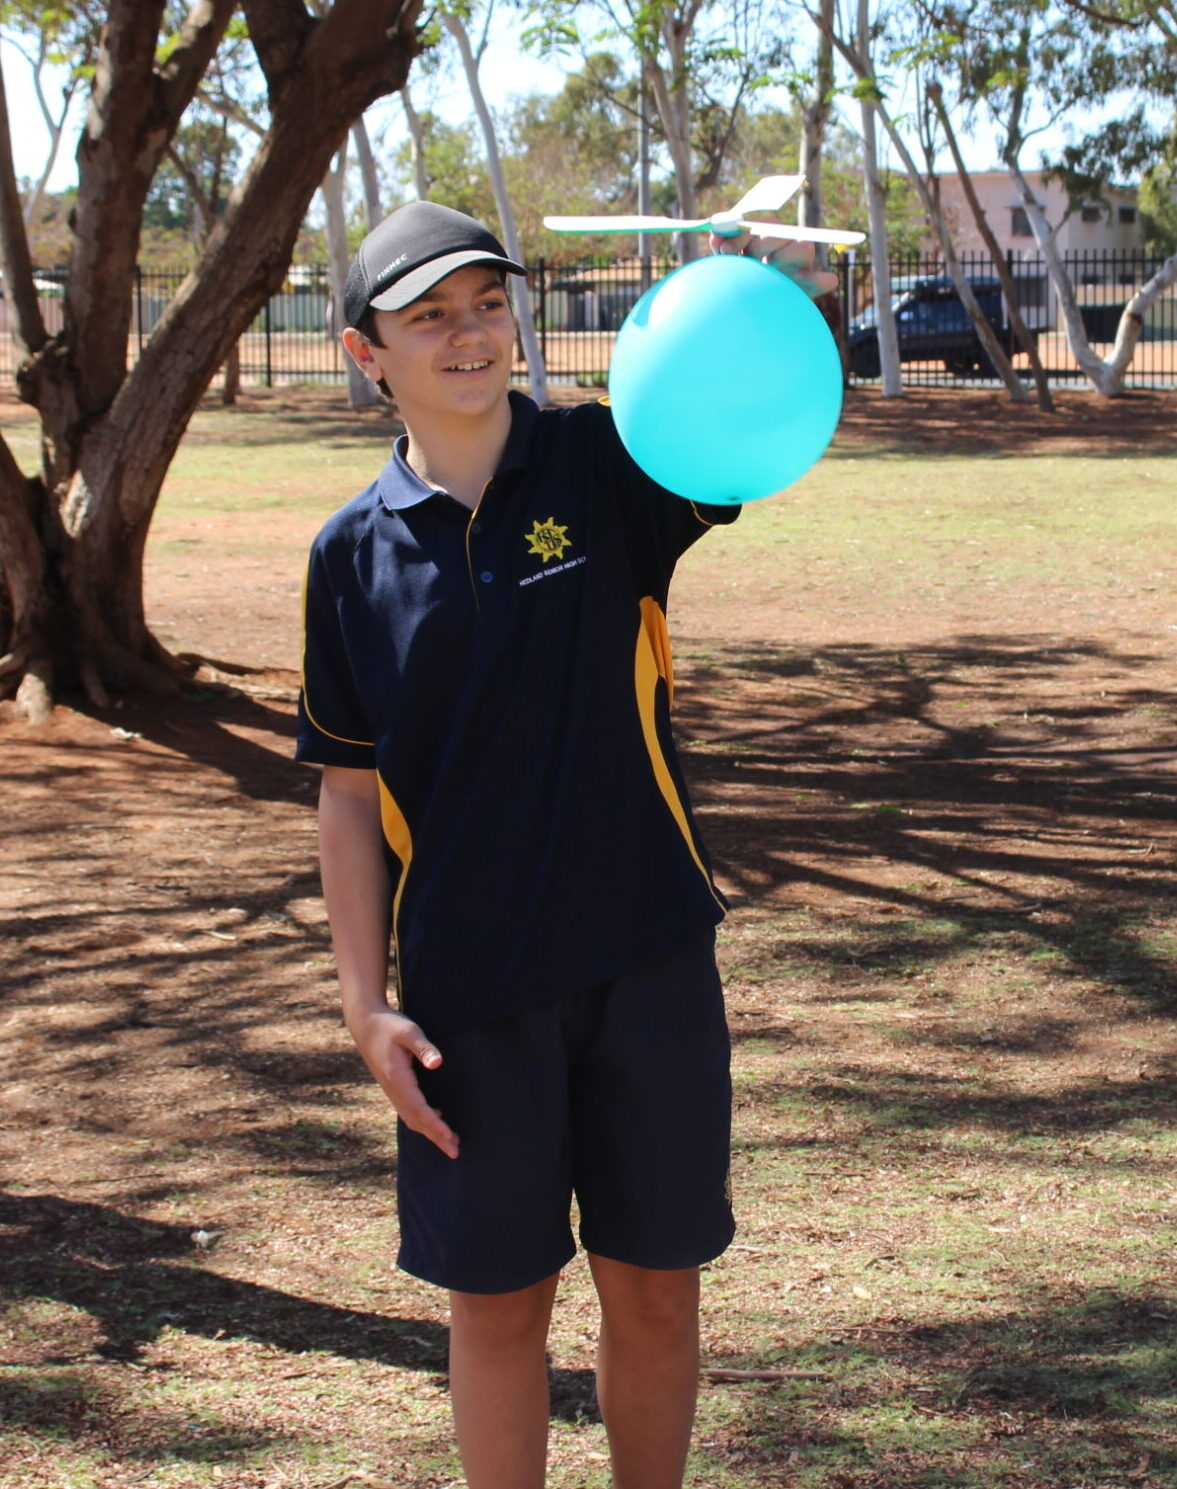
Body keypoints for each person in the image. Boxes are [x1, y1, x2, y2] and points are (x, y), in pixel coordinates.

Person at [296, 200, 834, 1489]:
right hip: (473, 997)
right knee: (499, 1308)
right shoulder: (349, 558)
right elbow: (347, 796)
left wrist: (755, 296)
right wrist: (366, 1008)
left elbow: (731, 419)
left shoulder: (610, 466)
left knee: (653, 1291)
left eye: (487, 302)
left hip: (647, 957)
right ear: (371, 355)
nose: (469, 333)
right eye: (428, 317)